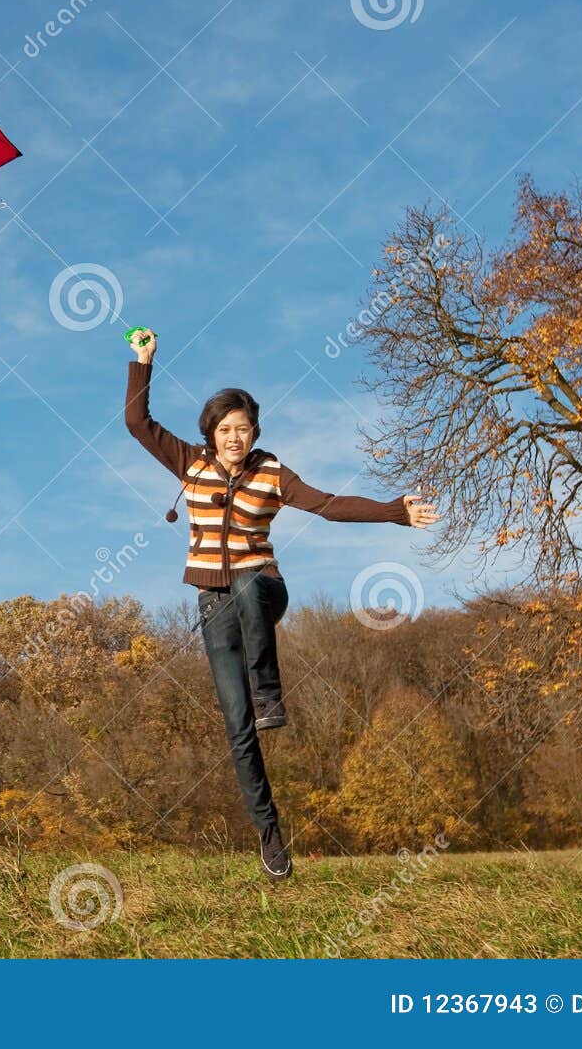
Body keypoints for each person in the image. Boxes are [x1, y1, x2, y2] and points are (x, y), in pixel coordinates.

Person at [123, 329, 440, 881]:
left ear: (254, 433)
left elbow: (327, 504)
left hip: (265, 589)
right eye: (225, 429)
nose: (234, 438)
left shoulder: (271, 472)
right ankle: (269, 835)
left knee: (248, 583)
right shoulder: (189, 464)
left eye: (243, 429)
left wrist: (394, 511)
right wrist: (142, 362)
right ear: (211, 432)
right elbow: (137, 424)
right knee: (236, 725)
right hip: (210, 604)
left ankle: (269, 691)